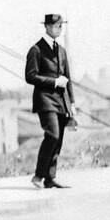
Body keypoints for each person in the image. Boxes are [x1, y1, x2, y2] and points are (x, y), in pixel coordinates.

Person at [25, 13, 77, 189]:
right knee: (52, 135)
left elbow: (68, 78)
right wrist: (54, 82)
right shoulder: (36, 49)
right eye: (55, 26)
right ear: (46, 27)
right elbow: (30, 76)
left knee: (59, 138)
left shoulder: (62, 50)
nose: (58, 29)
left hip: (61, 101)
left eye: (60, 26)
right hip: (44, 99)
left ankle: (50, 178)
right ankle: (38, 176)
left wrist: (73, 104)